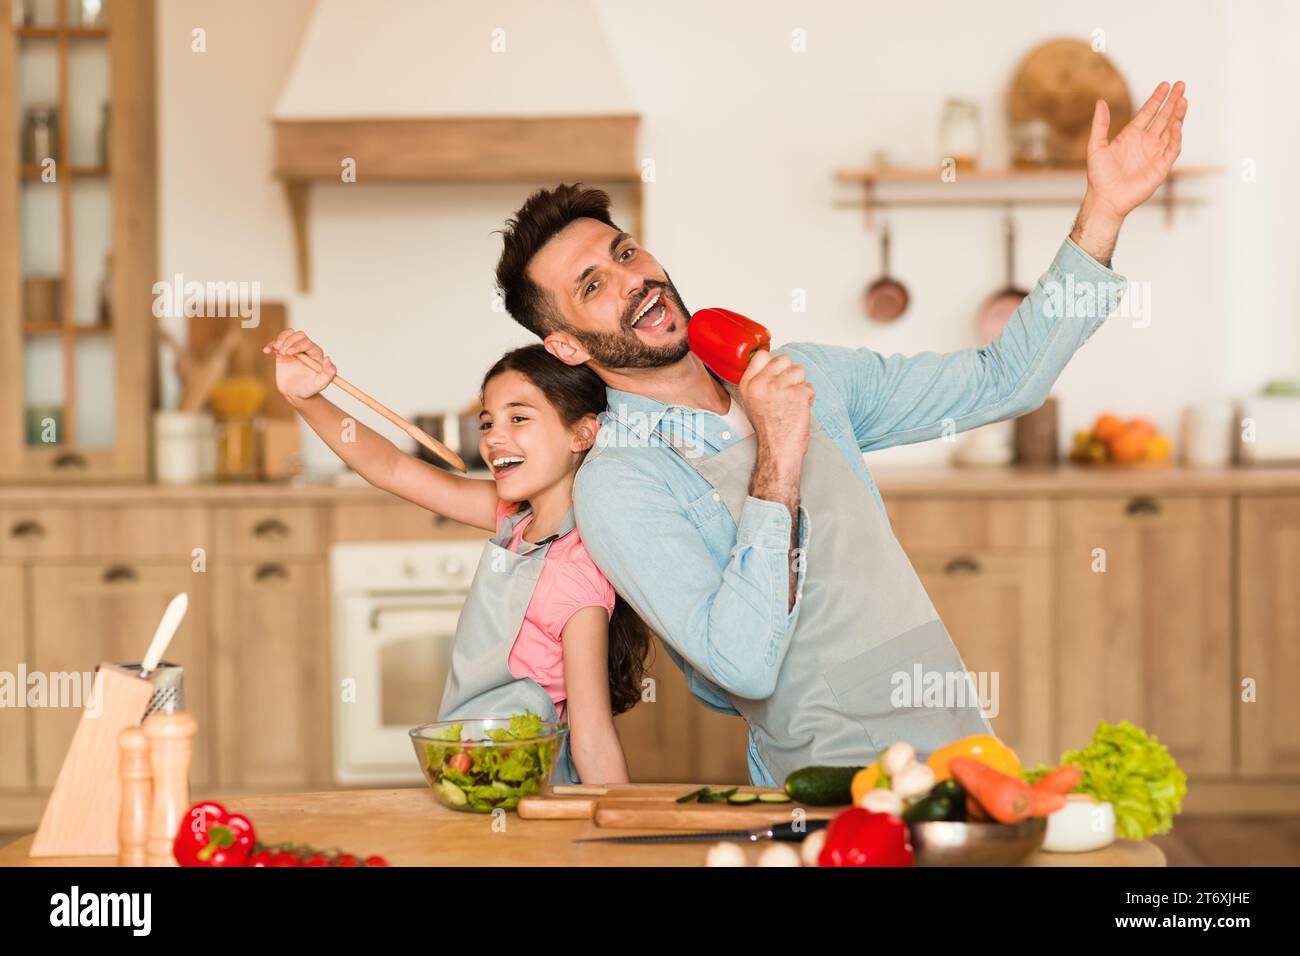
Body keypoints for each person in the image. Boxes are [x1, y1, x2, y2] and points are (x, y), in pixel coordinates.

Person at [490, 83, 1189, 785]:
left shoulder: (805, 375)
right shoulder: (621, 479)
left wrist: (1103, 211)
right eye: (592, 287)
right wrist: (781, 458)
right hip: (831, 778)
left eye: (626, 253)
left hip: (957, 737)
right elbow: (739, 667)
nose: (633, 281)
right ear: (569, 348)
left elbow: (1006, 379)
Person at [264, 334, 651, 784]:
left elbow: (593, 734)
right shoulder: (513, 519)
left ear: (582, 432)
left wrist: (619, 833)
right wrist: (306, 398)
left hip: (534, 790)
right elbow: (390, 468)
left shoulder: (577, 572)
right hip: (473, 774)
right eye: (487, 424)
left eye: (519, 418)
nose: (494, 438)